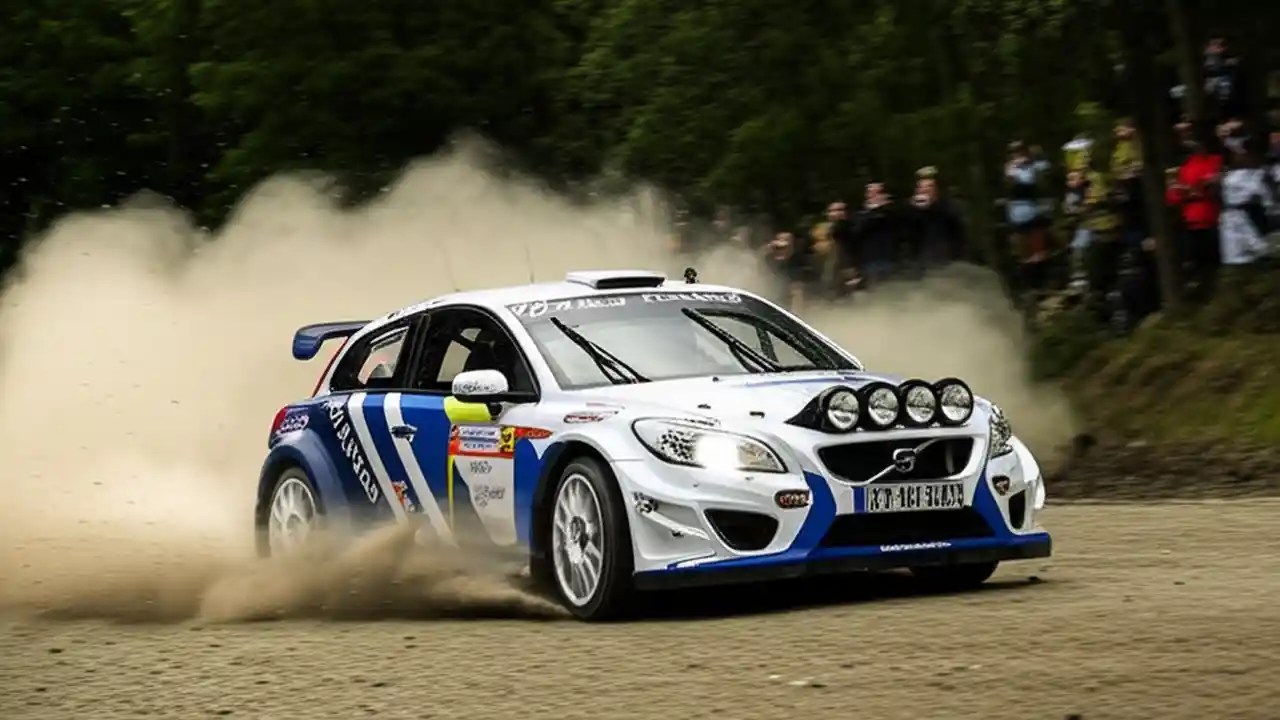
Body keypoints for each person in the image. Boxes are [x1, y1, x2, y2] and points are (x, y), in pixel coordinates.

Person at [1166, 133, 1224, 302]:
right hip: (1193, 221)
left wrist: (1191, 190)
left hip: (1213, 218)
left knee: (1213, 261)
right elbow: (1173, 196)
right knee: (1200, 262)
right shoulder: (1183, 169)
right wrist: (1195, 190)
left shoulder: (1216, 161)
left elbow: (1215, 186)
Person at [1218, 131, 1274, 266]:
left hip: (1252, 218)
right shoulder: (1227, 175)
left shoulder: (1261, 174)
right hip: (1231, 222)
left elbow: (1266, 201)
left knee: (1260, 256)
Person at [908, 174, 965, 275]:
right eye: (921, 187)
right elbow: (909, 231)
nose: (924, 190)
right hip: (922, 260)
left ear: (936, 189)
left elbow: (955, 225)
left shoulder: (948, 205)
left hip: (946, 259)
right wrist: (915, 209)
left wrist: (932, 205)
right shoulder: (913, 209)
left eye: (929, 186)